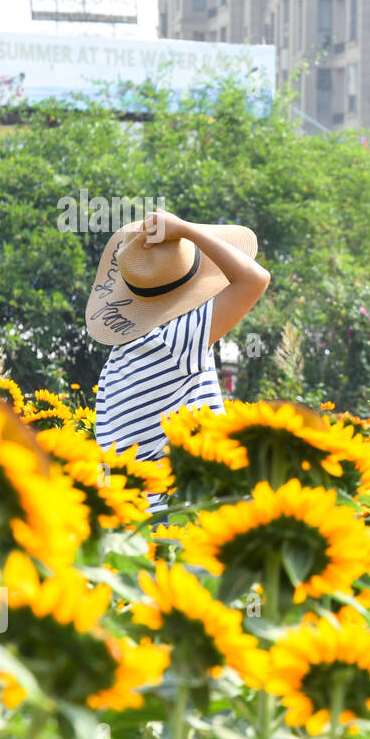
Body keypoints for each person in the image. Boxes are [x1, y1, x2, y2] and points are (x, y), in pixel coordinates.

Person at [85, 209, 270, 513]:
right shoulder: (174, 342)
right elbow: (255, 279)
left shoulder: (117, 360)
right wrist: (186, 230)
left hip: (137, 518)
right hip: (185, 515)